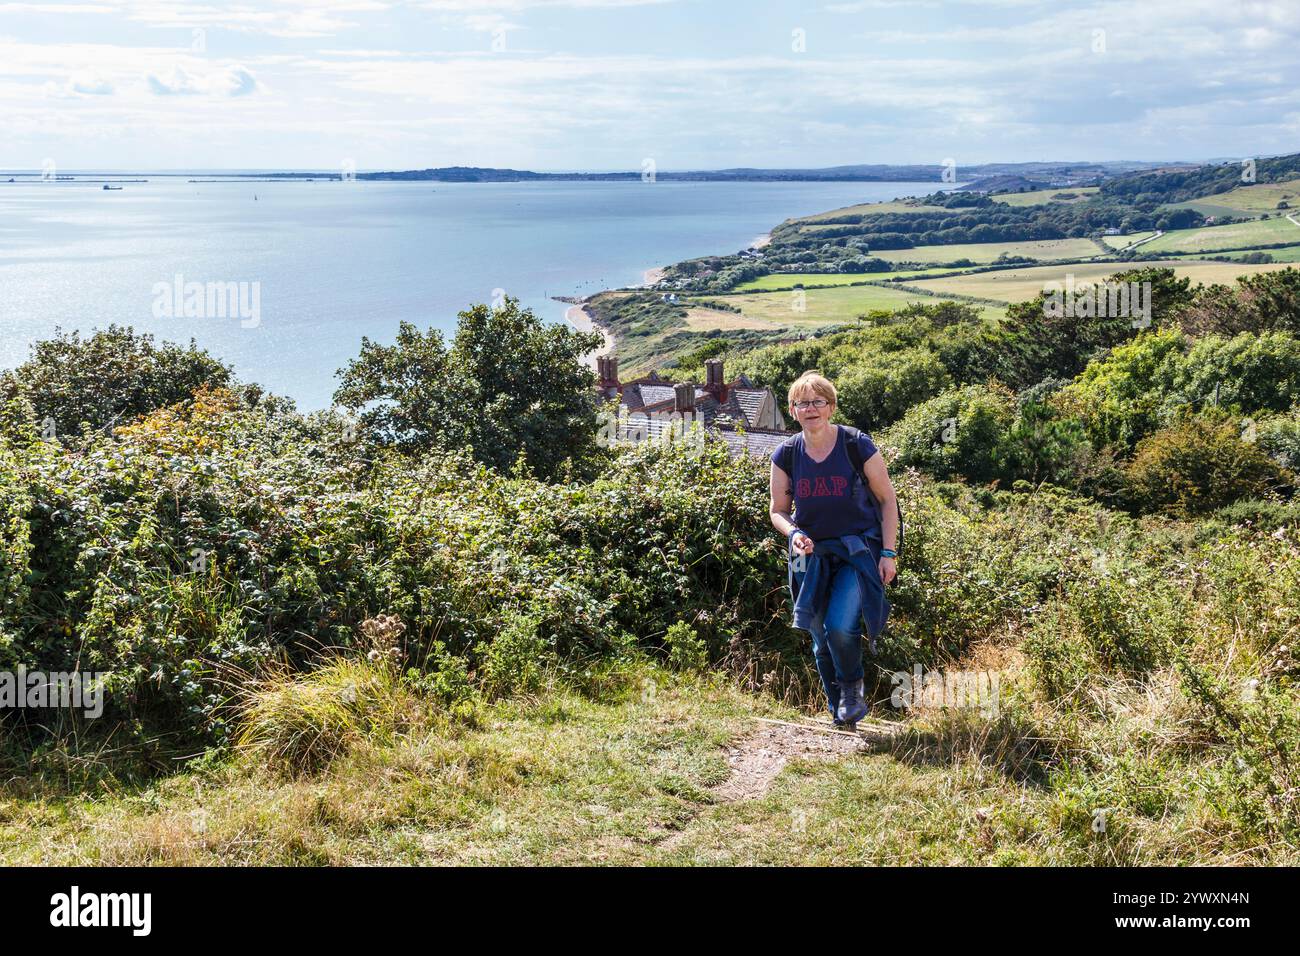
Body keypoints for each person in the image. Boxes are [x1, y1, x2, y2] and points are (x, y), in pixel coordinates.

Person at [769, 371, 899, 727]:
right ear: (793, 410)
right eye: (802, 403)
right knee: (817, 632)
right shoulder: (786, 454)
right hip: (809, 555)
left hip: (858, 551)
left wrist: (888, 553)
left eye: (818, 402)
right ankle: (840, 711)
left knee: (840, 626)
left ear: (831, 407)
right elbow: (777, 510)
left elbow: (888, 501)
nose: (810, 409)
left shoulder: (857, 445)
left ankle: (852, 688)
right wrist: (793, 532)